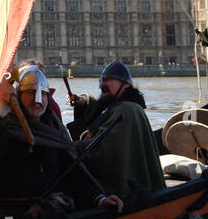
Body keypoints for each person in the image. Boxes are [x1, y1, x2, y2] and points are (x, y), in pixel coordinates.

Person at [0, 64, 122, 219]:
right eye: (31, 92)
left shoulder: (54, 131)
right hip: (4, 210)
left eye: (43, 94)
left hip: (46, 208)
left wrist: (99, 199)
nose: (38, 99)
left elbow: (72, 171)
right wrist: (0, 110)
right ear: (18, 95)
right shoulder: (3, 128)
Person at [67, 61, 165, 201]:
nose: (102, 85)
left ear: (125, 84)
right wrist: (84, 102)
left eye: (108, 80)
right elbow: (101, 111)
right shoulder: (120, 106)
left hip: (125, 191)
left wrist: (70, 148)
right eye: (102, 81)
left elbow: (103, 151)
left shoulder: (126, 110)